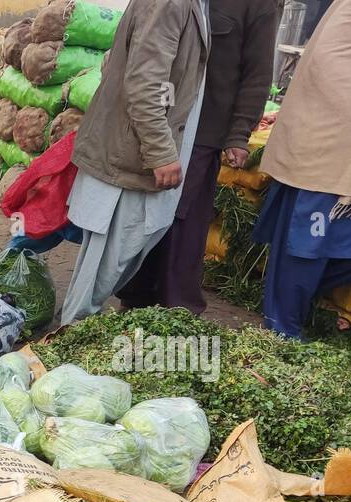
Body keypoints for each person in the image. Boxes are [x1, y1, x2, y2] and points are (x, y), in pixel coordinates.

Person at [118, 0, 280, 314]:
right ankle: (135, 298)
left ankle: (178, 309)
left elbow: (257, 74)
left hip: (204, 131)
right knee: (143, 210)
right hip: (158, 120)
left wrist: (238, 134)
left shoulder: (258, 5)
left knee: (182, 221)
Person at [59, 0, 210, 324]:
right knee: (102, 267)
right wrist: (161, 152)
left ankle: (77, 334)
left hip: (135, 150)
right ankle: (67, 343)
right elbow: (145, 85)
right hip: (128, 156)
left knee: (120, 255)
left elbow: (132, 65)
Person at [252, 0, 351, 337]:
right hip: (329, 150)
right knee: (306, 247)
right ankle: (283, 328)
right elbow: (337, 69)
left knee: (327, 248)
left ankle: (295, 314)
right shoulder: (350, 18)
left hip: (345, 149)